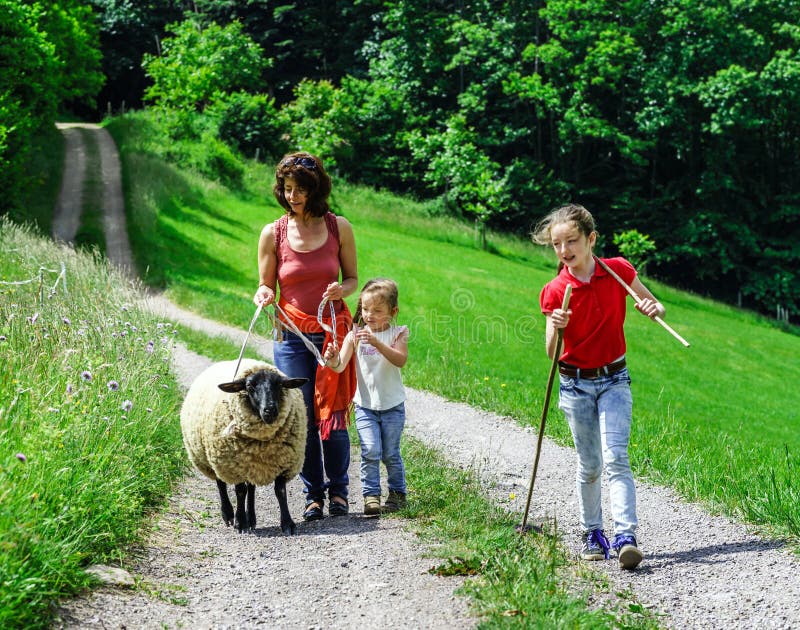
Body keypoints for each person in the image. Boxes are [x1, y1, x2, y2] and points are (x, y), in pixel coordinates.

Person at [533, 203, 665, 570]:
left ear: (591, 239)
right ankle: (592, 532)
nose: (564, 251)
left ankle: (626, 537)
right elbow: (551, 352)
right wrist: (557, 326)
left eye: (571, 241)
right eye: (557, 244)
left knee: (616, 457)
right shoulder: (555, 290)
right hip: (575, 384)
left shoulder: (617, 271)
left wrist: (653, 309)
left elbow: (655, 305)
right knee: (590, 464)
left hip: (614, 379)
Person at [253, 151, 357, 521]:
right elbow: (265, 285)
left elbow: (352, 279)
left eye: (299, 189)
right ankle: (313, 496)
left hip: (331, 333)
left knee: (333, 415)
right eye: (287, 188)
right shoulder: (273, 233)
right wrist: (263, 294)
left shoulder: (338, 227)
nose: (292, 196)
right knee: (304, 416)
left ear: (315, 189)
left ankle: (339, 492)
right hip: (291, 335)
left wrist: (342, 290)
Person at [323, 278, 409, 516]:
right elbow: (339, 366)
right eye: (365, 309)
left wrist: (376, 343)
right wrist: (332, 358)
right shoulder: (355, 335)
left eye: (377, 310)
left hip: (392, 406)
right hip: (365, 406)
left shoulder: (398, 333)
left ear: (393, 312)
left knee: (390, 453)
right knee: (370, 450)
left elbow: (400, 360)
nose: (369, 315)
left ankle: (397, 494)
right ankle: (371, 496)